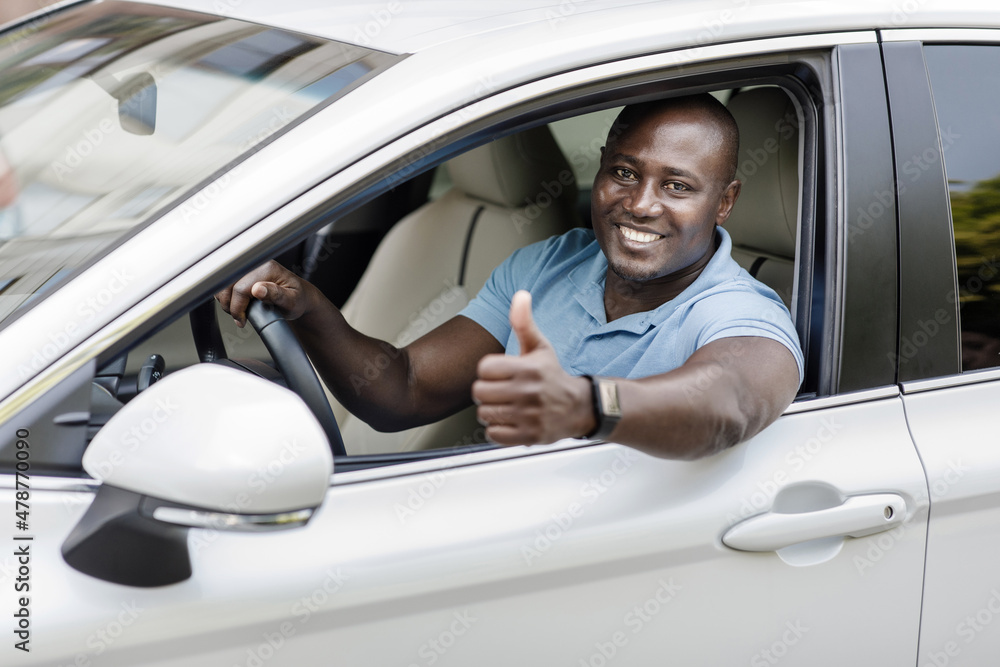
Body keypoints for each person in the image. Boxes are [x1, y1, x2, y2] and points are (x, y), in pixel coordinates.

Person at [217, 93, 803, 460]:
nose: (640, 204)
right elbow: (404, 389)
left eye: (677, 186)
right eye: (623, 172)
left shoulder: (741, 312)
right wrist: (305, 303)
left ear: (724, 203)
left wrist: (584, 405)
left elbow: (728, 404)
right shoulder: (549, 263)